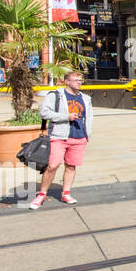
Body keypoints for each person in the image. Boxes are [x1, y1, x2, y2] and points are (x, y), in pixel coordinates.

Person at [31, 68, 94, 209]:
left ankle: (66, 193)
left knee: (71, 166)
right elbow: (44, 113)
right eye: (76, 80)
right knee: (53, 165)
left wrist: (87, 135)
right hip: (59, 136)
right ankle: (41, 194)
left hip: (78, 137)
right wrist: (66, 117)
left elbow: (88, 117)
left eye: (80, 80)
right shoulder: (56, 96)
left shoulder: (85, 98)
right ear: (66, 81)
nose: (79, 82)